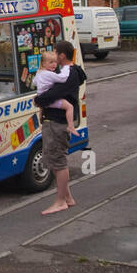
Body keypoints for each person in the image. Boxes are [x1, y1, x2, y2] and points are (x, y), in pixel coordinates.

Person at [34, 39, 86, 215]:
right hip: (53, 121)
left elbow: (53, 94)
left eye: (55, 53)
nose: (54, 56)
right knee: (55, 160)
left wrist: (39, 100)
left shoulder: (69, 73)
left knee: (59, 162)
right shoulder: (66, 71)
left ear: (62, 55)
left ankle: (60, 201)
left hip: (57, 122)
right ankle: (68, 197)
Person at [28, 49, 76, 135]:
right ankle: (71, 126)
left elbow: (34, 82)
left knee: (43, 105)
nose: (54, 64)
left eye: (55, 62)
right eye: (51, 62)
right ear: (43, 64)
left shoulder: (39, 73)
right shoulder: (49, 74)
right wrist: (66, 67)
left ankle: (41, 115)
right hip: (48, 99)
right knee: (69, 107)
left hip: (41, 97)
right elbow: (62, 78)